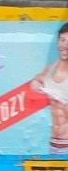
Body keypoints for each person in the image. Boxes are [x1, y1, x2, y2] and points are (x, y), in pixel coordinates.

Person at [31, 23, 68, 154]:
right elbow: (37, 79)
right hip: (54, 144)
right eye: (62, 40)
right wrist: (36, 82)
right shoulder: (50, 68)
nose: (65, 45)